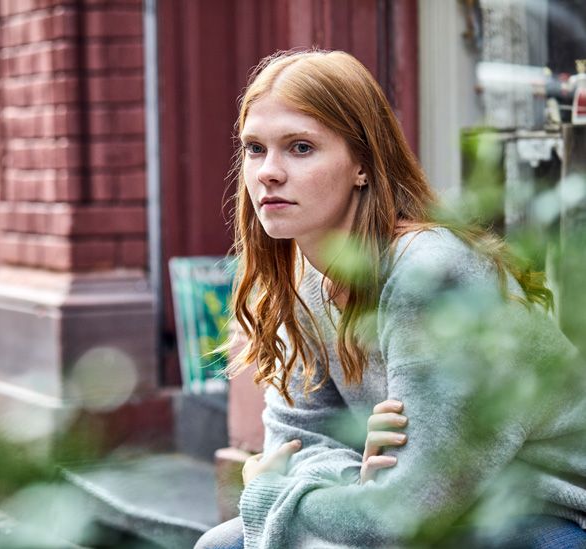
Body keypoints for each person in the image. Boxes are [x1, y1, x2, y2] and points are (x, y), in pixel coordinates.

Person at [194, 49, 586, 548]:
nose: (268, 172)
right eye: (255, 148)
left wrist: (269, 491)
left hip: (547, 514)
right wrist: (357, 471)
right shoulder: (302, 277)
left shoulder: (432, 273)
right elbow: (293, 441)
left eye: (300, 148)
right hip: (443, 509)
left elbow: (409, 511)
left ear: (362, 164)